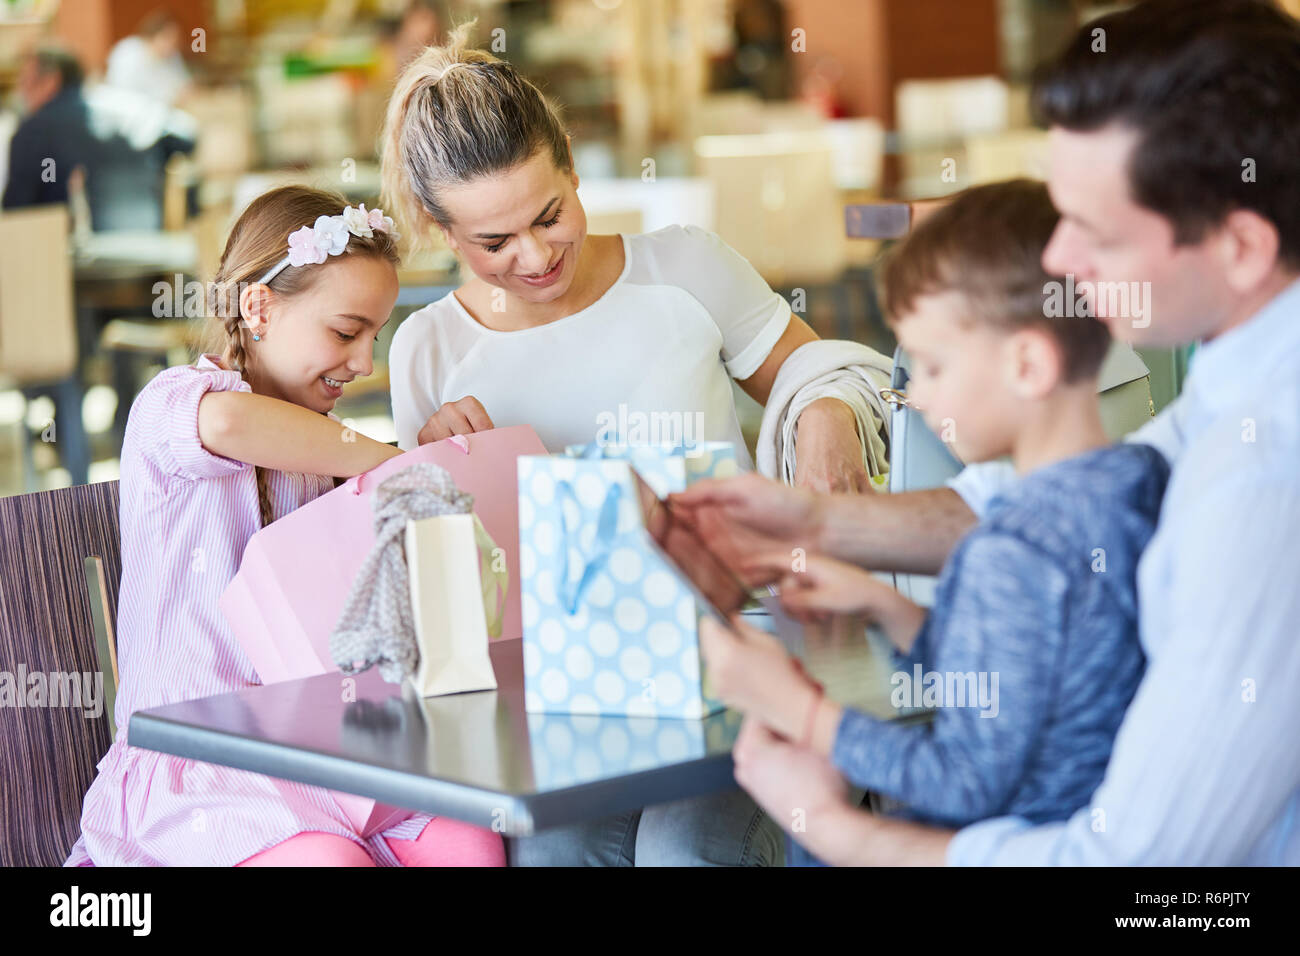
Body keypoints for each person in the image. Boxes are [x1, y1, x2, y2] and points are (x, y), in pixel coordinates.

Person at [676, 0, 1300, 865]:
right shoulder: (1235, 385)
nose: (1056, 263)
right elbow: (1042, 518)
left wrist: (846, 829)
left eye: (1094, 229)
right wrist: (810, 526)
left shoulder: (1265, 475)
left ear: (1240, 247)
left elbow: (1139, 877)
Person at [379, 21, 877, 866]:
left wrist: (823, 408)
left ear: (572, 164)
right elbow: (439, 596)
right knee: (548, 856)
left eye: (550, 214)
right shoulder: (427, 350)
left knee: (684, 854)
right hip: (561, 693)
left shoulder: (682, 269)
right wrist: (439, 468)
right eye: (493, 243)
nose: (535, 256)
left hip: (732, 655)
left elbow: (819, 370)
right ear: (437, 228)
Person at [697, 177, 1169, 861]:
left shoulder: (1012, 545)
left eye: (935, 365)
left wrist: (802, 714)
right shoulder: (1136, 487)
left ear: (1029, 363)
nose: (914, 393)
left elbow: (966, 776)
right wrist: (892, 610)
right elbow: (1026, 683)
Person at [65, 186, 503, 867]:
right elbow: (232, 423)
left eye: (375, 336)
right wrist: (390, 460)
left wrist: (433, 455)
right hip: (197, 767)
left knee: (469, 841)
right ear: (259, 306)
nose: (363, 362)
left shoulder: (323, 451)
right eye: (345, 331)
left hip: (319, 757)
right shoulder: (173, 405)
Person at [2, 45, 93, 210]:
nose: (20, 91)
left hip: (53, 228)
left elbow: (20, 203)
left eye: (25, 80)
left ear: (51, 80)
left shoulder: (36, 130)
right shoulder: (99, 116)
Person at [105, 11, 192, 108]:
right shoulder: (127, 53)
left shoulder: (173, 55)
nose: (173, 43)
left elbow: (184, 85)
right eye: (167, 37)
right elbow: (124, 97)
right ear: (152, 35)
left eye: (176, 39)